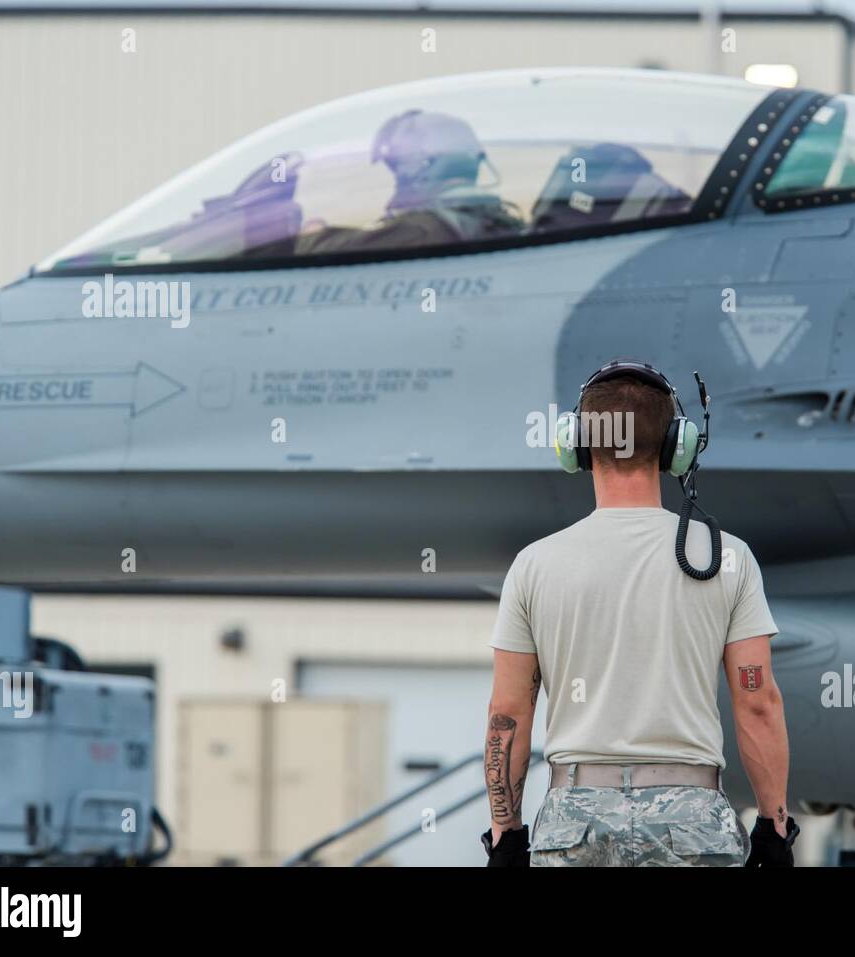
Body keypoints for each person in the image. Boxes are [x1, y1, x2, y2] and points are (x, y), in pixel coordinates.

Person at [480, 360, 797, 867]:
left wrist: (505, 832)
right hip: (691, 823)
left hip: (573, 826)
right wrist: (773, 827)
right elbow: (757, 702)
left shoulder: (533, 565)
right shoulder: (726, 557)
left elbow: (508, 713)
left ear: (577, 445)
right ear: (677, 446)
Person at [296, 109, 522, 255]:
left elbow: (318, 253)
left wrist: (311, 235)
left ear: (419, 166)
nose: (398, 182)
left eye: (397, 170)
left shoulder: (422, 230)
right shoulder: (499, 221)